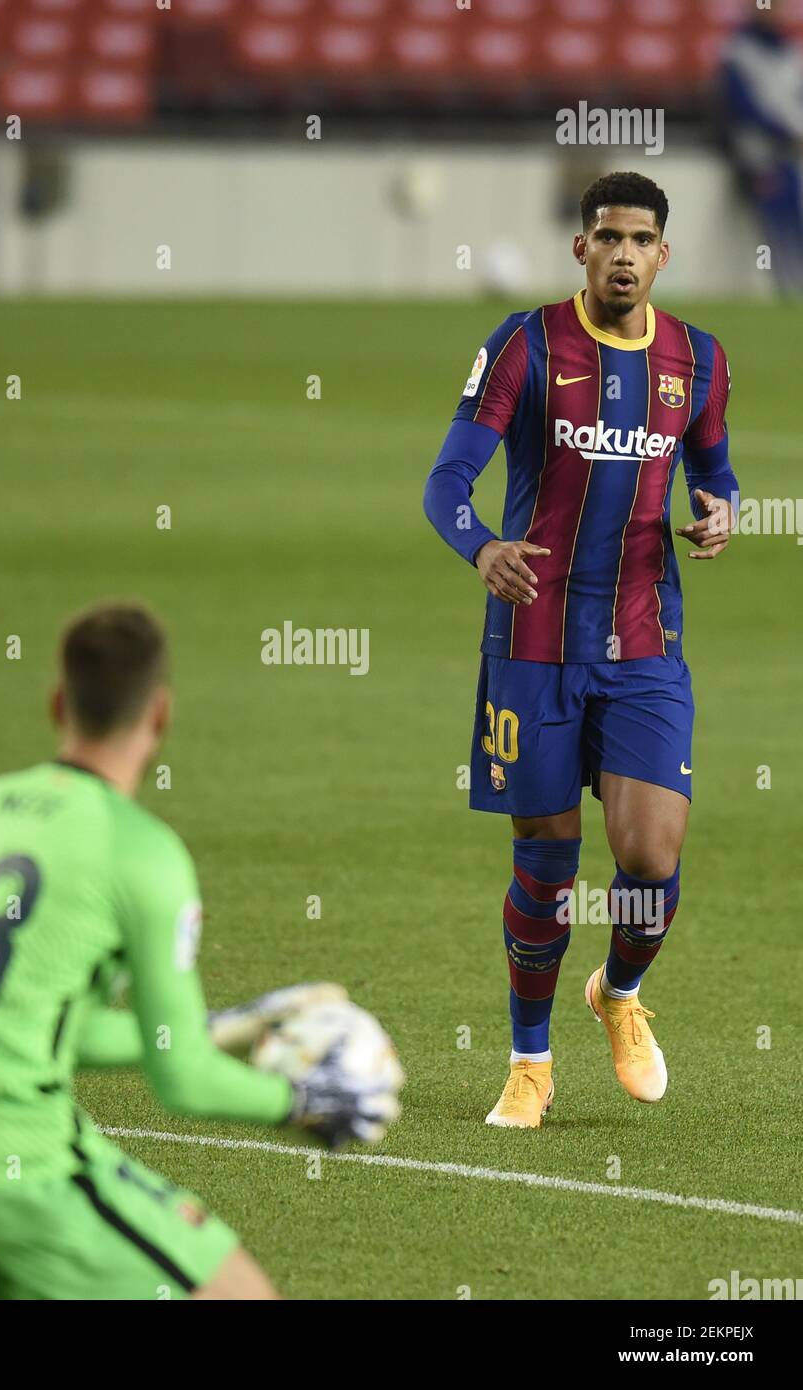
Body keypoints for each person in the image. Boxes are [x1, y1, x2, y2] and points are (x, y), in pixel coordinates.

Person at [0, 602, 387, 1297]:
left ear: (57, 702)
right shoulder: (142, 853)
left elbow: (60, 1026)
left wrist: (220, 1024)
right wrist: (304, 1099)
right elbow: (184, 1082)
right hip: (13, 1170)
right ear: (161, 715)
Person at [423, 173, 739, 1128]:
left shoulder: (698, 357)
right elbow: (446, 482)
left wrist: (718, 510)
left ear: (663, 255)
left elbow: (715, 469)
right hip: (534, 645)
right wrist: (481, 546)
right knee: (547, 862)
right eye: (608, 237)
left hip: (643, 642)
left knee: (649, 855)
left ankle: (619, 991)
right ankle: (529, 1062)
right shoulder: (523, 344)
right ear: (581, 249)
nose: (624, 255)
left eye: (642, 239)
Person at [721, 3, 803, 295]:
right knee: (775, 225)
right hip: (758, 156)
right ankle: (785, 289)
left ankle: (794, 288)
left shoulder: (790, 51)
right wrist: (786, 132)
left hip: (791, 155)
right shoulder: (739, 51)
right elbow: (743, 107)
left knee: (795, 221)